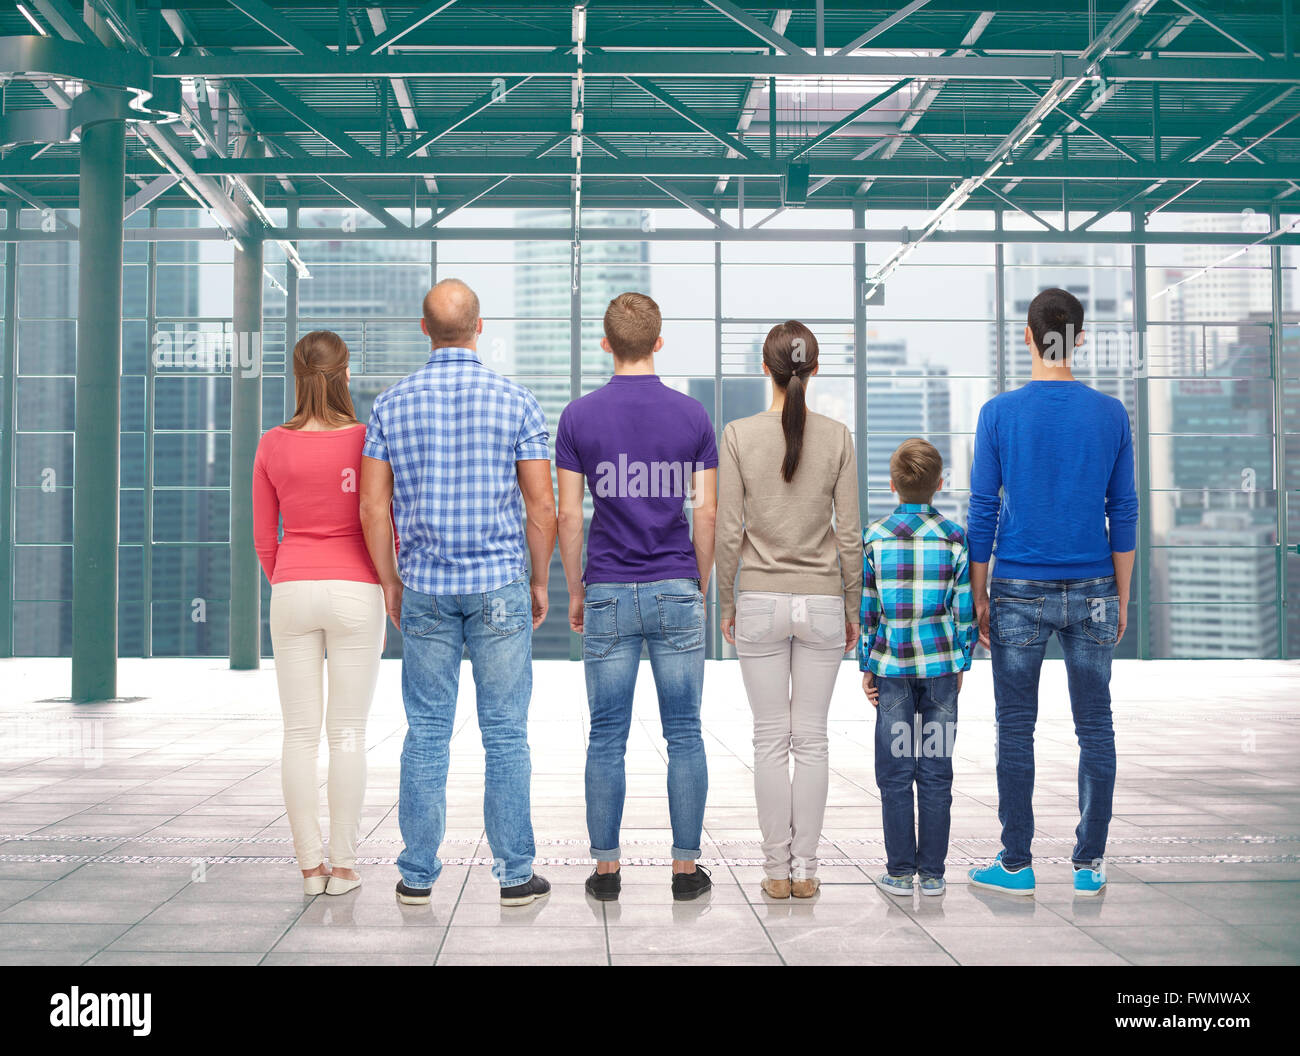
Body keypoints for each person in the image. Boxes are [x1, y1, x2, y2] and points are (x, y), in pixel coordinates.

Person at [359, 279, 558, 908]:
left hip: (423, 588)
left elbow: (371, 503)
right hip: (499, 585)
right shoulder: (517, 402)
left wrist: (390, 578)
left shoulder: (390, 406)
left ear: (425, 329)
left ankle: (417, 874)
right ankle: (515, 875)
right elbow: (541, 505)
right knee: (504, 732)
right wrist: (539, 578)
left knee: (425, 732)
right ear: (479, 327)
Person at [966, 287, 1138, 898]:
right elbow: (1124, 508)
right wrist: (1121, 594)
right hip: (1095, 585)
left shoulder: (998, 414)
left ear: (1026, 335)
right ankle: (1089, 865)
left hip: (1018, 585)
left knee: (1016, 726)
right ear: (1080, 338)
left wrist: (978, 597)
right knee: (1096, 725)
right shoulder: (1111, 413)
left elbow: (982, 511)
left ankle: (1016, 864)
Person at [555, 292, 718, 903]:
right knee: (685, 732)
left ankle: (606, 873)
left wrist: (577, 588)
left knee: (605, 736)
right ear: (659, 341)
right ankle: (683, 871)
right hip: (676, 583)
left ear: (606, 344)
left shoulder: (577, 417)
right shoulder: (692, 416)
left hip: (607, 591)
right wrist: (694, 581)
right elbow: (707, 515)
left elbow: (570, 517)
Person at [716, 320, 861, 900]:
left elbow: (729, 533)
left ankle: (776, 871)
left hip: (759, 599)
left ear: (764, 366)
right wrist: (851, 605)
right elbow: (849, 534)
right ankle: (806, 870)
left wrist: (728, 600)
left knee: (769, 740)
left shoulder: (737, 435)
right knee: (814, 741)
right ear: (815, 368)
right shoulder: (838, 436)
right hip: (824, 600)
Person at [253, 330, 389, 897]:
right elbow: (382, 518)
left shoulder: (271, 444)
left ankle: (309, 869)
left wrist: (289, 580)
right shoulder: (367, 440)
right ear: (346, 374)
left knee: (298, 735)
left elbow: (265, 538)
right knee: (349, 734)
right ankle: (345, 866)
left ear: (296, 374)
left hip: (291, 587)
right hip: (357, 588)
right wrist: (387, 581)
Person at [860, 439, 974, 899]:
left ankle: (900, 872)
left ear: (892, 485)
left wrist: (867, 664)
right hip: (942, 667)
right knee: (935, 769)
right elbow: (963, 611)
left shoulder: (874, 537)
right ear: (939, 485)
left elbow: (869, 610)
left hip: (892, 669)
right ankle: (933, 875)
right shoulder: (954, 538)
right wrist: (961, 661)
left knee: (895, 771)